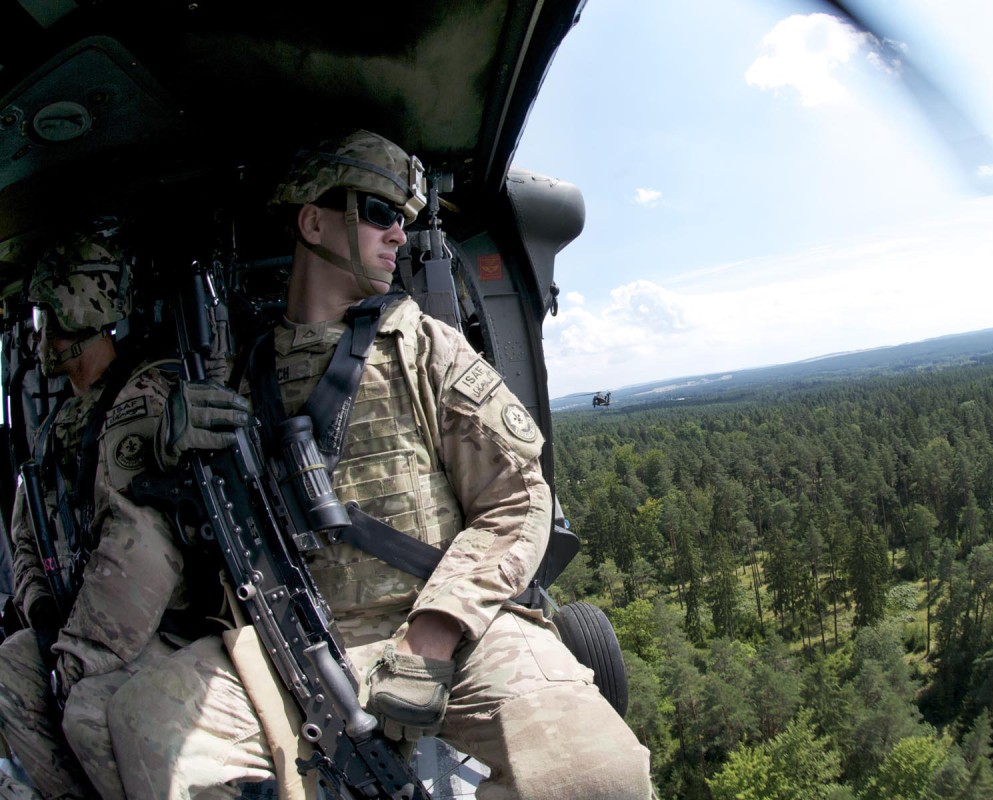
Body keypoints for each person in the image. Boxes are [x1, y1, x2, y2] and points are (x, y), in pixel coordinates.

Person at [107, 129, 654, 798]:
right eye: (378, 212)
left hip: (454, 632)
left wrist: (432, 634)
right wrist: (168, 459)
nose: (398, 233)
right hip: (287, 646)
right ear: (313, 220)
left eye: (403, 217)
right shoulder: (236, 384)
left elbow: (518, 497)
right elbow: (187, 559)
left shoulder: (426, 348)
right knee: (139, 727)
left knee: (600, 777)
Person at [0, 222, 233, 800]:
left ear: (73, 316)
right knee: (11, 665)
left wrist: (79, 657)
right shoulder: (57, 429)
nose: (40, 338)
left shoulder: (143, 399)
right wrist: (45, 617)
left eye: (46, 320)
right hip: (86, 623)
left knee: (88, 712)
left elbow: (140, 548)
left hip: (164, 630)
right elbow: (26, 536)